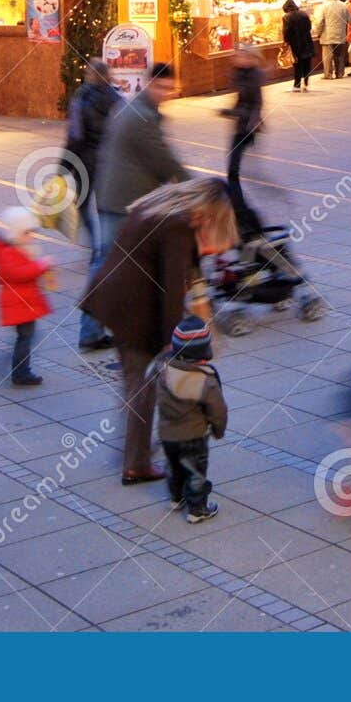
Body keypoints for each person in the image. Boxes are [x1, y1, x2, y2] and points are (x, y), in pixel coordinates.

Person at [79, 178, 237, 484]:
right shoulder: (177, 226)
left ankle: (133, 451)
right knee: (142, 386)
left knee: (136, 383)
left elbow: (185, 271)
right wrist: (173, 346)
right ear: (207, 211)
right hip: (132, 310)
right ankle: (136, 465)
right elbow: (171, 292)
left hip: (115, 300)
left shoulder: (160, 206)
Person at [94, 63, 189, 305]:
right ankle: (99, 327)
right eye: (159, 86)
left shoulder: (128, 106)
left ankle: (98, 328)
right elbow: (164, 160)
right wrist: (194, 185)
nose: (163, 93)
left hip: (113, 196)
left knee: (108, 261)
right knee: (112, 263)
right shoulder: (142, 117)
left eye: (168, 88)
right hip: (125, 201)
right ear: (147, 83)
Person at [66, 59, 123, 349]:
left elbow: (74, 136)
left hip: (85, 165)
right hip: (109, 169)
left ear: (90, 75)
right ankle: (99, 244)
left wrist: (64, 166)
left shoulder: (80, 99)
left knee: (82, 206)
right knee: (102, 211)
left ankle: (95, 243)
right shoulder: (116, 99)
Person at [153, 314, 229, 523]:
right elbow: (218, 410)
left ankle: (177, 498)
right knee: (195, 471)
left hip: (167, 433)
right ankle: (197, 509)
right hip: (193, 435)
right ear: (204, 351)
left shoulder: (162, 369)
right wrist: (218, 430)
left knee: (173, 466)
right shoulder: (205, 380)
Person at [0, 206, 56, 386]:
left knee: (25, 336)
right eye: (27, 233)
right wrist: (41, 265)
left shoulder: (11, 247)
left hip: (22, 303)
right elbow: (19, 274)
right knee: (25, 337)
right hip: (20, 304)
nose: (31, 237)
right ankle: (21, 372)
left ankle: (16, 367)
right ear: (15, 233)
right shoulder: (8, 252)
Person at [222, 46, 265, 234]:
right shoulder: (243, 74)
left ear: (250, 58)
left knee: (233, 171)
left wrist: (231, 112)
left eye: (240, 55)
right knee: (233, 171)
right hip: (243, 126)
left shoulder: (252, 77)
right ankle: (239, 209)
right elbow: (241, 100)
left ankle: (240, 211)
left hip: (246, 128)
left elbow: (253, 104)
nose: (236, 57)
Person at [311, 0, 349, 79]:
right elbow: (350, 19)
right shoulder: (343, 5)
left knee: (327, 56)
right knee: (339, 55)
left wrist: (318, 32)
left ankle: (328, 74)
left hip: (327, 35)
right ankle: (340, 74)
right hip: (341, 35)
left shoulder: (323, 7)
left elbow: (319, 22)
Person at [280, 0, 316, 92]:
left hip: (295, 44)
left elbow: (286, 32)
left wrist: (286, 42)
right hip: (307, 42)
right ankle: (306, 84)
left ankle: (297, 85)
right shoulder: (304, 14)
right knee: (307, 64)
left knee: (297, 65)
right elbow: (309, 27)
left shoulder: (287, 17)